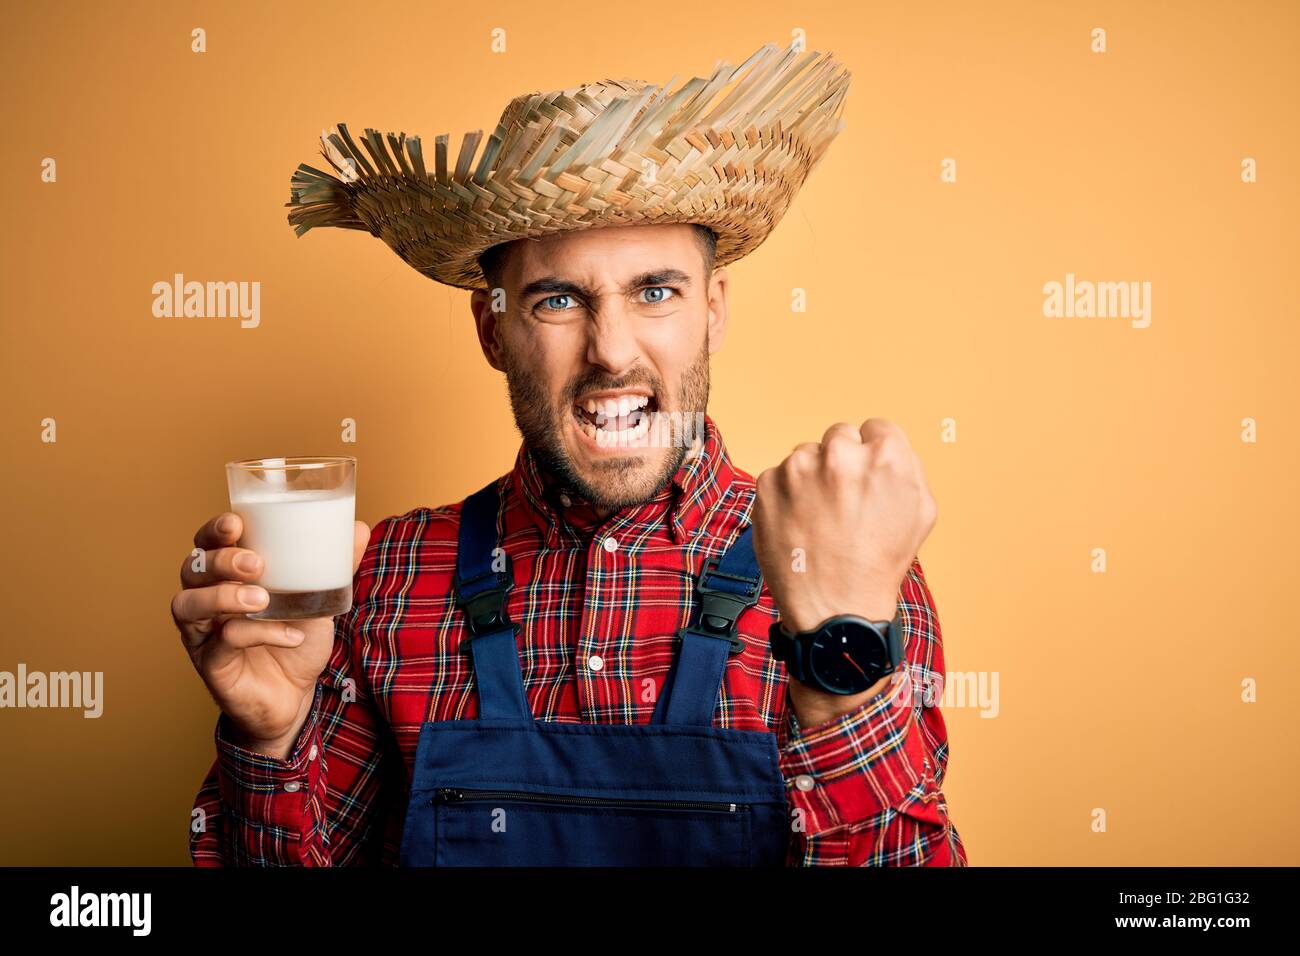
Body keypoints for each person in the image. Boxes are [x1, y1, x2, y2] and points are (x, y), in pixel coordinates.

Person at [172, 42, 967, 866]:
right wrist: (268, 739)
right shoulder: (386, 575)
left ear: (714, 312)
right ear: (493, 329)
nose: (611, 352)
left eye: (655, 291)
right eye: (558, 299)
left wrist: (840, 679)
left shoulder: (847, 570)